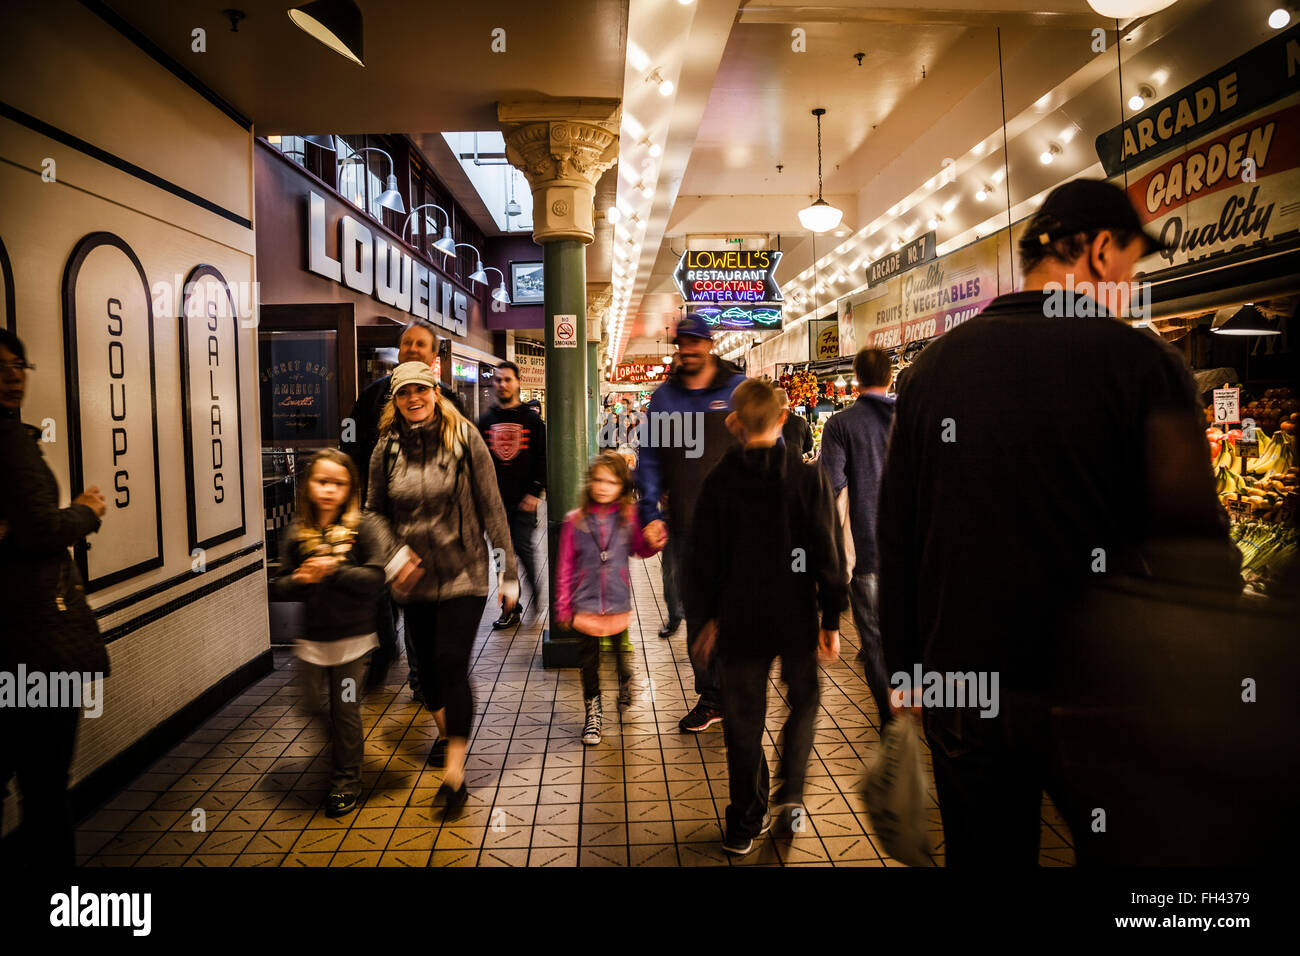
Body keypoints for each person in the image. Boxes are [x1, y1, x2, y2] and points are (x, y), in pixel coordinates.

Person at [876, 178, 1240, 867]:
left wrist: (904, 673)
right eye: (1132, 263)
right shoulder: (1143, 366)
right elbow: (1197, 541)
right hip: (1105, 690)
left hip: (964, 686)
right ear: (1101, 250)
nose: (1132, 284)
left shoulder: (930, 373)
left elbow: (896, 537)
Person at [685, 378, 846, 855]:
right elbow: (829, 556)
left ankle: (743, 822)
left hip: (739, 622)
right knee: (804, 701)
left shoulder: (718, 482)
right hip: (794, 617)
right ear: (782, 420)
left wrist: (707, 620)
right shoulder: (805, 477)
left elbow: (700, 563)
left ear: (734, 424)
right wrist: (831, 620)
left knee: (742, 721)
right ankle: (790, 791)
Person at [366, 361, 517, 814]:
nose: (413, 398)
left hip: (463, 574)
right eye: (403, 392)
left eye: (421, 390)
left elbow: (492, 506)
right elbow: (372, 512)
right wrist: (394, 554)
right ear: (394, 401)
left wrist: (508, 572)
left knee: (450, 665)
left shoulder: (464, 437)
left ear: (435, 391)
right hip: (412, 582)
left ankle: (454, 774)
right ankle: (447, 728)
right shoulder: (385, 451)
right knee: (427, 676)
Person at [0, 328, 110, 867]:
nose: (12, 375)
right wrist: (86, 511)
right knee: (45, 785)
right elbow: (40, 530)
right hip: (36, 643)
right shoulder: (7, 442)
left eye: (18, 364)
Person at [636, 314, 746, 733]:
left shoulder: (736, 390)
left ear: (710, 344)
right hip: (687, 527)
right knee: (697, 611)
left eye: (695, 343)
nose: (688, 349)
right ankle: (712, 696)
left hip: (735, 529)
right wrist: (650, 513)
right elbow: (650, 459)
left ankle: (738, 686)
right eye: (682, 343)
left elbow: (766, 443)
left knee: (735, 607)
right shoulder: (665, 399)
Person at [269, 449, 390, 819]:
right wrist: (300, 579)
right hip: (312, 640)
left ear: (349, 489)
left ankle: (346, 781)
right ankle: (343, 748)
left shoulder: (363, 527)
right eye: (322, 482)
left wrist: (334, 570)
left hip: (353, 640)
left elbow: (375, 577)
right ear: (308, 487)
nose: (328, 491)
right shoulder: (296, 531)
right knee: (310, 704)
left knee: (345, 711)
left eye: (337, 484)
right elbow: (279, 585)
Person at [342, 320, 440, 695]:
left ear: (433, 356)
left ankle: (420, 679)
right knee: (380, 595)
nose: (413, 349)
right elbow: (348, 446)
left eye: (421, 345)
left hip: (425, 523)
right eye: (407, 344)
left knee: (417, 603)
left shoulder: (447, 401)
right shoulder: (371, 397)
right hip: (377, 517)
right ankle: (385, 652)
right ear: (399, 351)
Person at [555, 451, 662, 746]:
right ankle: (593, 709)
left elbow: (639, 549)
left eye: (611, 482)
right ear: (590, 483)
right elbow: (564, 565)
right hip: (584, 605)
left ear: (622, 488)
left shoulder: (627, 520)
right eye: (598, 480)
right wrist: (563, 604)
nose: (602, 487)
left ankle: (625, 679)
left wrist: (654, 543)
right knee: (588, 662)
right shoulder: (574, 521)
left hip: (616, 601)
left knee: (617, 649)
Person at [818, 348, 896, 729]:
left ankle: (890, 723)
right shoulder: (912, 418)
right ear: (891, 376)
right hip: (913, 553)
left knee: (876, 643)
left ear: (855, 377)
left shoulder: (840, 425)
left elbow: (830, 484)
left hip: (865, 550)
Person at [478, 360, 546, 628]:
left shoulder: (531, 420)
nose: (502, 384)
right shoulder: (486, 420)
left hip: (523, 502)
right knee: (500, 558)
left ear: (517, 383)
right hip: (493, 504)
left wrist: (534, 492)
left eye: (507, 379)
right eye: (498, 380)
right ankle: (510, 607)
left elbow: (542, 457)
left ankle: (536, 594)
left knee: (523, 549)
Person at [776, 387, 813, 458]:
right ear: (788, 402)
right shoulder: (802, 421)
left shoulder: (769, 421)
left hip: (774, 466)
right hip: (796, 463)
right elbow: (809, 446)